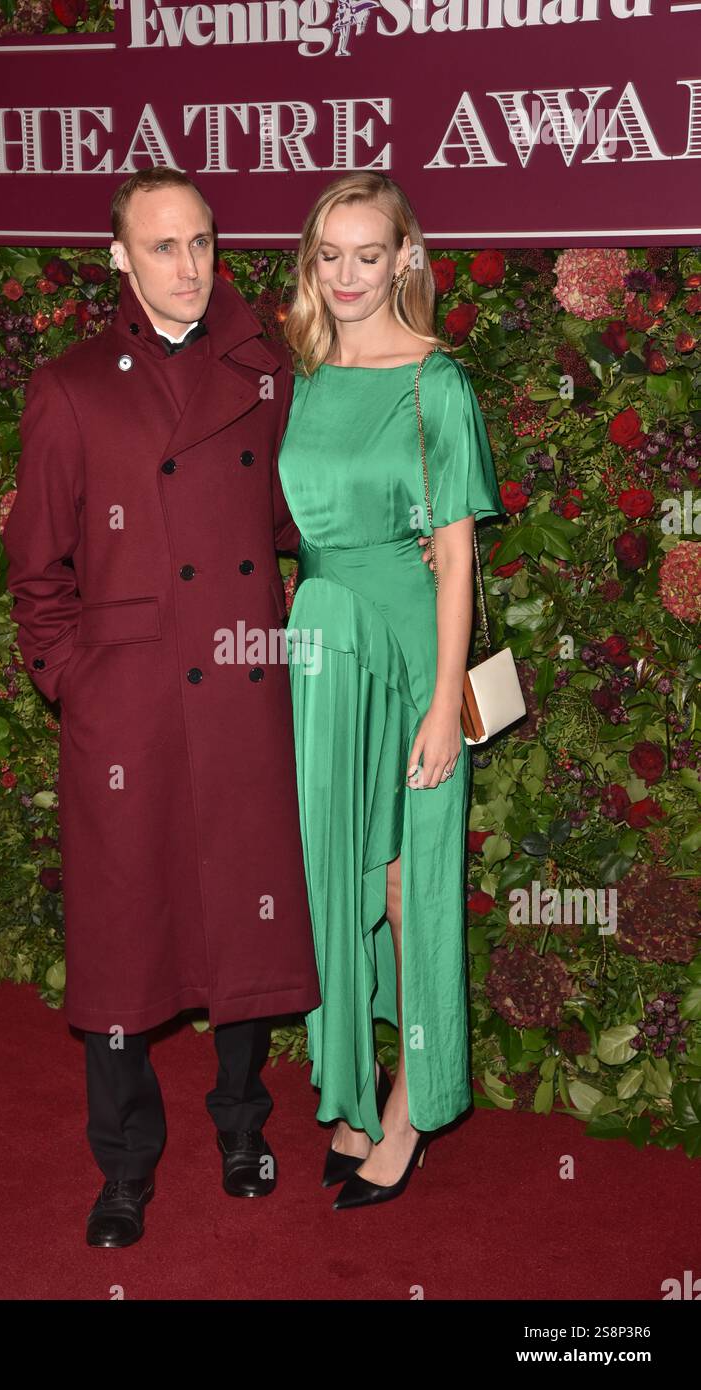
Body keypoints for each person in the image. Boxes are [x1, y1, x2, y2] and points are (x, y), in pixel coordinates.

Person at [2, 167, 322, 1248]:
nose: (189, 267)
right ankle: (125, 1163)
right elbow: (36, 566)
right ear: (118, 261)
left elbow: (294, 518)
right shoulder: (72, 384)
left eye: (202, 242)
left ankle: (241, 1123)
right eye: (163, 247)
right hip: (128, 710)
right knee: (124, 929)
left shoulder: (267, 370)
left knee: (246, 913)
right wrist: (73, 679)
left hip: (239, 686)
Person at [277, 172, 504, 1210]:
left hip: (413, 651)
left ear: (405, 257)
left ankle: (414, 1103)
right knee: (339, 875)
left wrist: (443, 701)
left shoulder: (436, 381)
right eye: (331, 256)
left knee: (411, 881)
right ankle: (350, 1086)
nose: (349, 275)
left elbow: (455, 558)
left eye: (370, 255)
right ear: (311, 264)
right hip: (321, 639)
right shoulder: (308, 372)